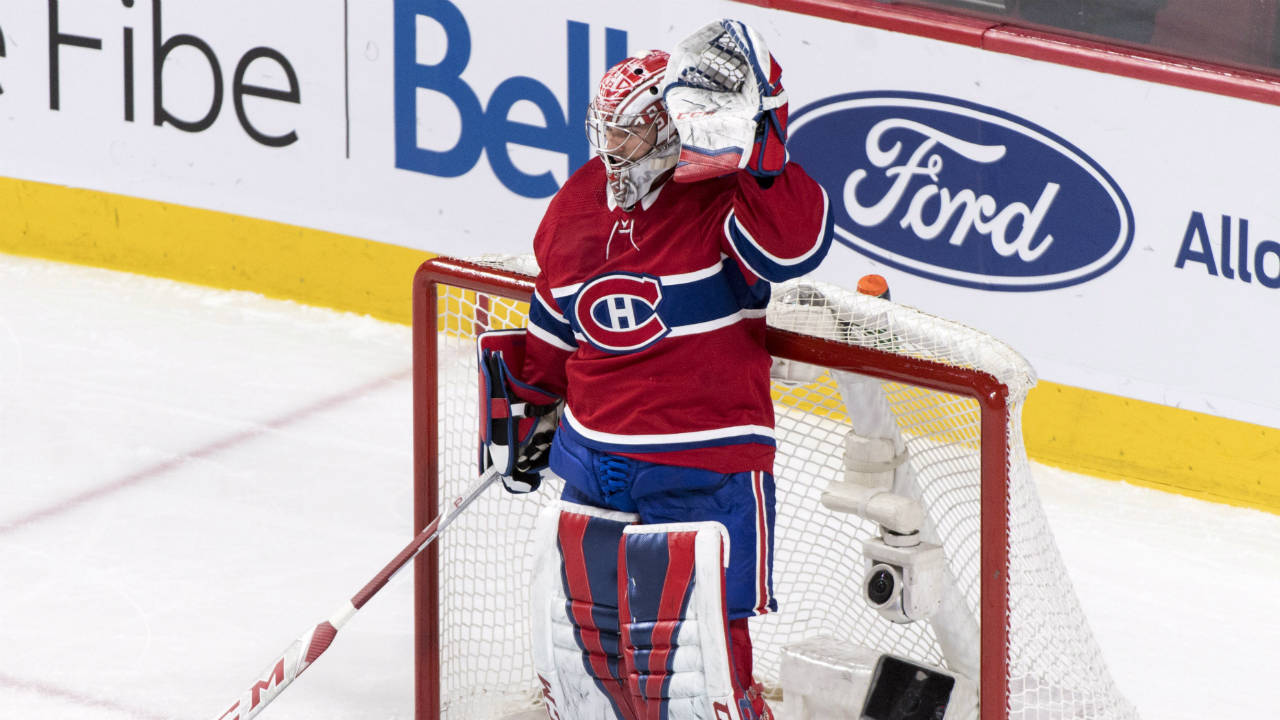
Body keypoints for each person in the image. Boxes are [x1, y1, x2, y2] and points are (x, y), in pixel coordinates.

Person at [478, 19, 833, 720]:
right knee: (585, 646)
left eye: (628, 132)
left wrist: (764, 140)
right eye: (604, 130)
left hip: (704, 461)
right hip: (592, 455)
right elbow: (556, 322)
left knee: (702, 648)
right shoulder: (578, 200)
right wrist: (525, 400)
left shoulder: (725, 196)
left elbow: (793, 250)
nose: (610, 148)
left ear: (672, 129)